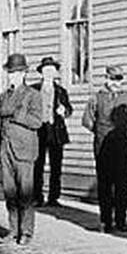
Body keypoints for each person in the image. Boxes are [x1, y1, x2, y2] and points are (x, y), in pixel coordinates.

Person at [0, 53, 45, 245]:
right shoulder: (3, 97)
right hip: (5, 150)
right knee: (10, 193)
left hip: (24, 151)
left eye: (16, 73)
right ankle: (13, 230)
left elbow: (37, 121)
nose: (12, 76)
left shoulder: (33, 95)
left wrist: (17, 115)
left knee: (26, 193)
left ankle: (27, 232)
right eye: (10, 73)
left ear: (24, 74)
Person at [82, 65, 127, 232]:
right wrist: (99, 131)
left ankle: (121, 220)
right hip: (103, 146)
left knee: (122, 183)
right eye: (112, 79)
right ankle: (106, 221)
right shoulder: (96, 98)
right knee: (105, 184)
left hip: (123, 146)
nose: (115, 83)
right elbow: (87, 120)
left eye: (118, 80)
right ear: (106, 79)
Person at [33, 56, 71, 207]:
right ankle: (37, 196)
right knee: (38, 165)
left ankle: (54, 198)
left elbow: (68, 109)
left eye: (52, 70)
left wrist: (65, 111)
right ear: (41, 73)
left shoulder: (61, 91)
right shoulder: (34, 90)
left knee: (56, 166)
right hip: (39, 130)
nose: (49, 73)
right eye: (46, 70)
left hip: (56, 131)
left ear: (55, 73)